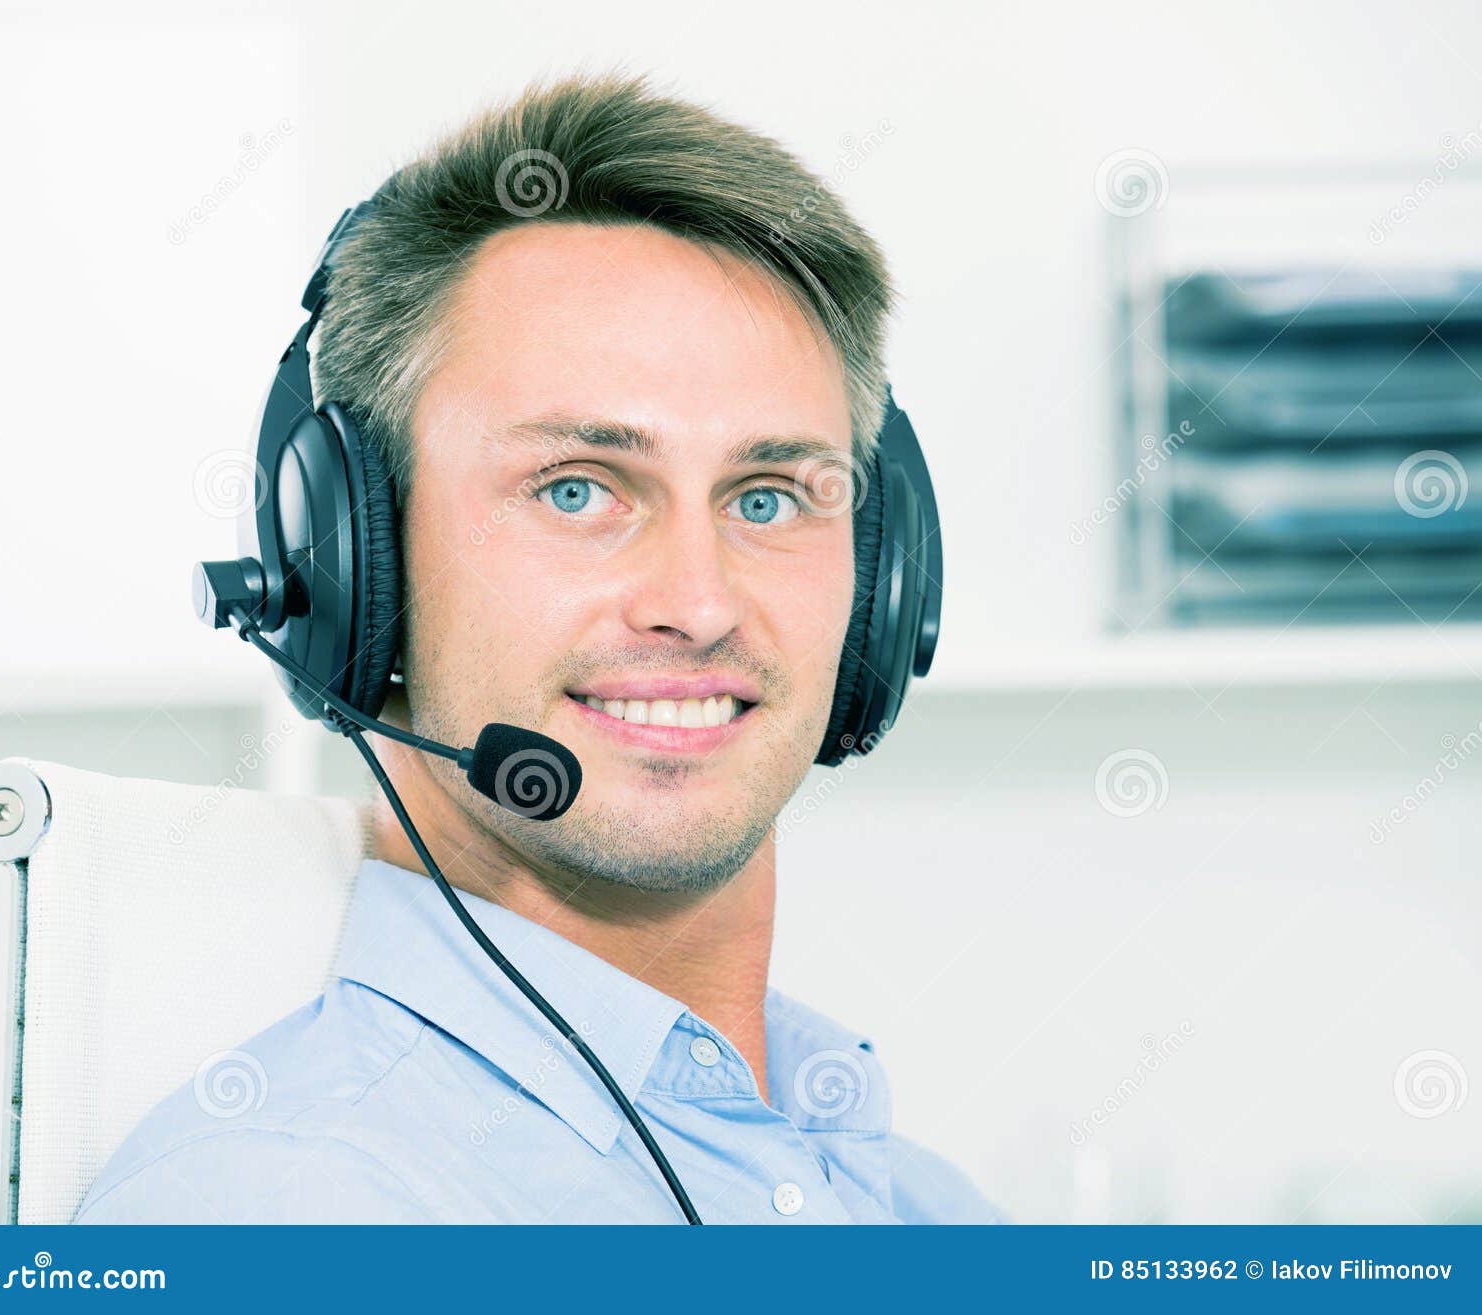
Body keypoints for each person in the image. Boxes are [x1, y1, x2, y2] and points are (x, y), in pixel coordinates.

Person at [74, 71, 1000, 1225]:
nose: (698, 602)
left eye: (766, 497)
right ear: (351, 573)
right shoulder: (290, 1207)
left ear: (882, 583)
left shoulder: (932, 1207)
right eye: (577, 488)